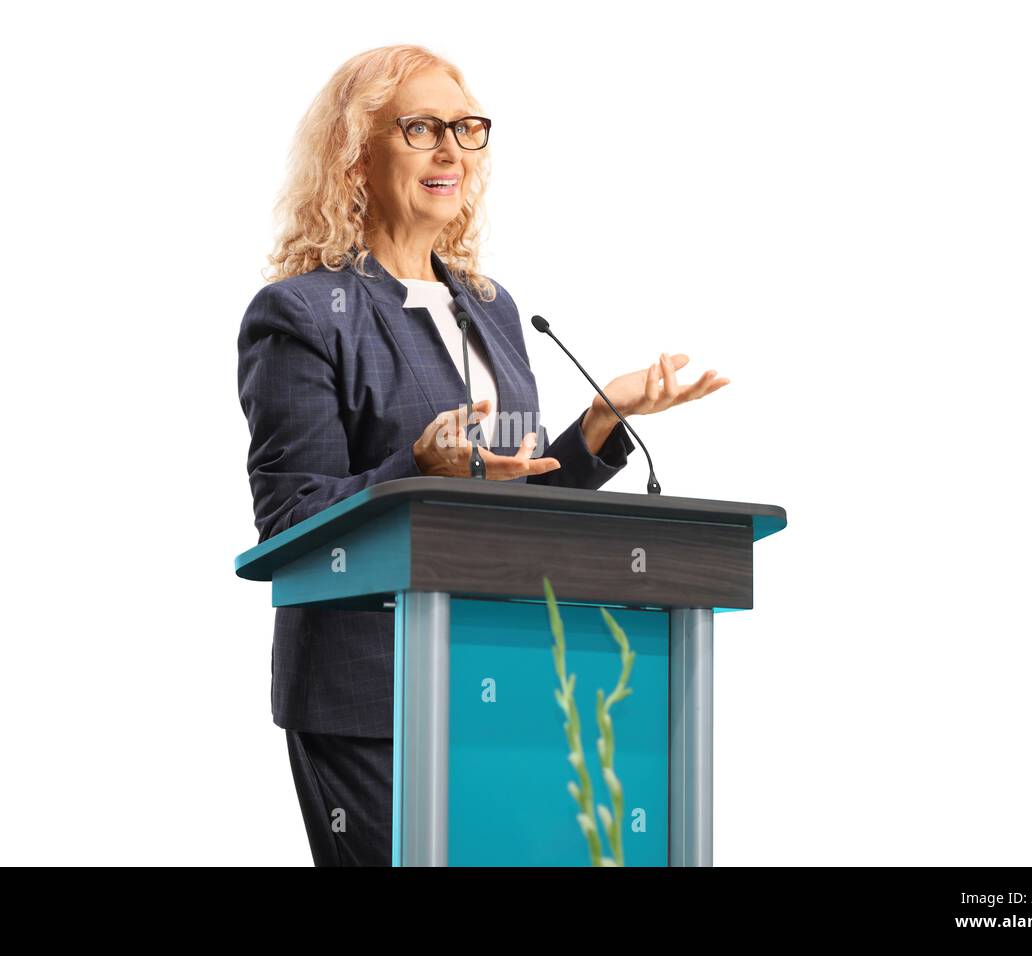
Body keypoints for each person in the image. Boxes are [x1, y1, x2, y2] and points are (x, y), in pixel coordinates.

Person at [237, 44, 729, 866]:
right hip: (371, 697)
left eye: (467, 129)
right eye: (422, 127)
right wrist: (414, 473)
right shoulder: (302, 314)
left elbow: (515, 498)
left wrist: (600, 424)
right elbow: (290, 521)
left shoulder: (493, 310)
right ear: (354, 154)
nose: (451, 151)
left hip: (502, 676)